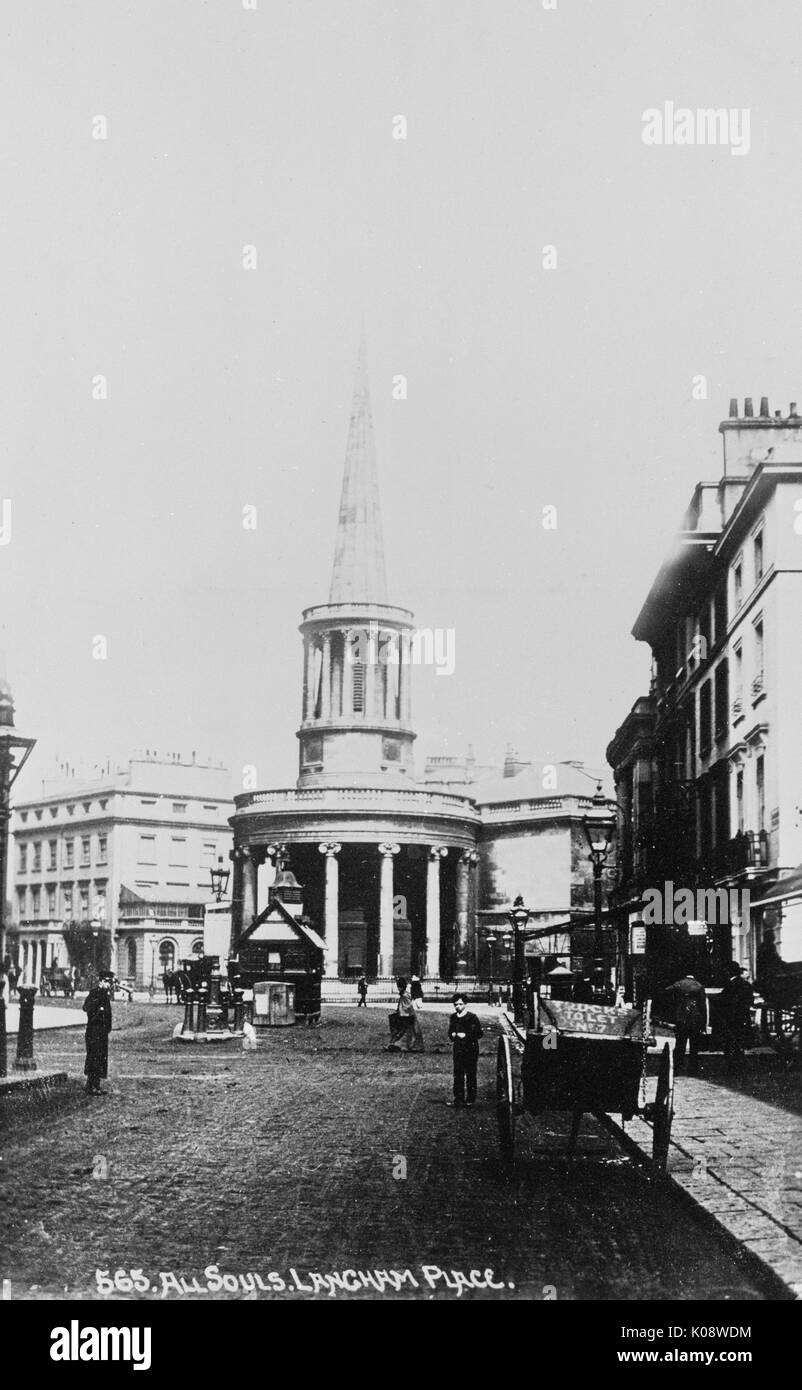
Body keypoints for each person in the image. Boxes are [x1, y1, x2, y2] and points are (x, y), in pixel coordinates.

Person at [447, 992, 483, 1107]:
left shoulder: (472, 1017)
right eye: (456, 1004)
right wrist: (452, 1034)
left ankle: (470, 1099)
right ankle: (458, 1098)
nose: (458, 1006)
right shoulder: (453, 1017)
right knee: (458, 1074)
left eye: (460, 1004)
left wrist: (466, 1035)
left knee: (471, 1074)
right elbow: (450, 1031)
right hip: (458, 1049)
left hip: (470, 1049)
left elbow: (479, 1033)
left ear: (465, 1004)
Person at [667, 973, 706, 1076]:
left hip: (681, 1018)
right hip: (695, 1019)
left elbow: (667, 991)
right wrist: (704, 1023)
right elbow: (702, 1006)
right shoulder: (699, 986)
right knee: (694, 1046)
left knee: (680, 1045)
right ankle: (692, 1070)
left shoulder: (679, 984)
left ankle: (676, 1069)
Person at [720, 963, 755, 1072]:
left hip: (731, 1018)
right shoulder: (746, 984)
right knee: (740, 1042)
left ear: (730, 972)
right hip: (743, 1018)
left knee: (729, 1042)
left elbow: (723, 1001)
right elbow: (750, 1001)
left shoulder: (729, 985)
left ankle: (731, 1067)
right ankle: (740, 1065)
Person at [83, 977, 112, 1095]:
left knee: (100, 1058)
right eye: (106, 982)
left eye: (109, 982)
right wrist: (98, 1008)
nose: (108, 984)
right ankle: (92, 1086)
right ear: (100, 982)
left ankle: (94, 1084)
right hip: (94, 1031)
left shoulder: (105, 994)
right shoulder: (95, 992)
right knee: (94, 1057)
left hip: (102, 1032)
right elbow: (86, 1007)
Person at [387, 977, 424, 1052]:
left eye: (399, 986)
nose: (398, 988)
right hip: (405, 1015)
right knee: (406, 1031)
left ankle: (402, 1045)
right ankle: (401, 1044)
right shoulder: (404, 994)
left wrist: (403, 1012)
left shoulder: (405, 995)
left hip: (407, 1016)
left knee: (406, 1031)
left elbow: (408, 1006)